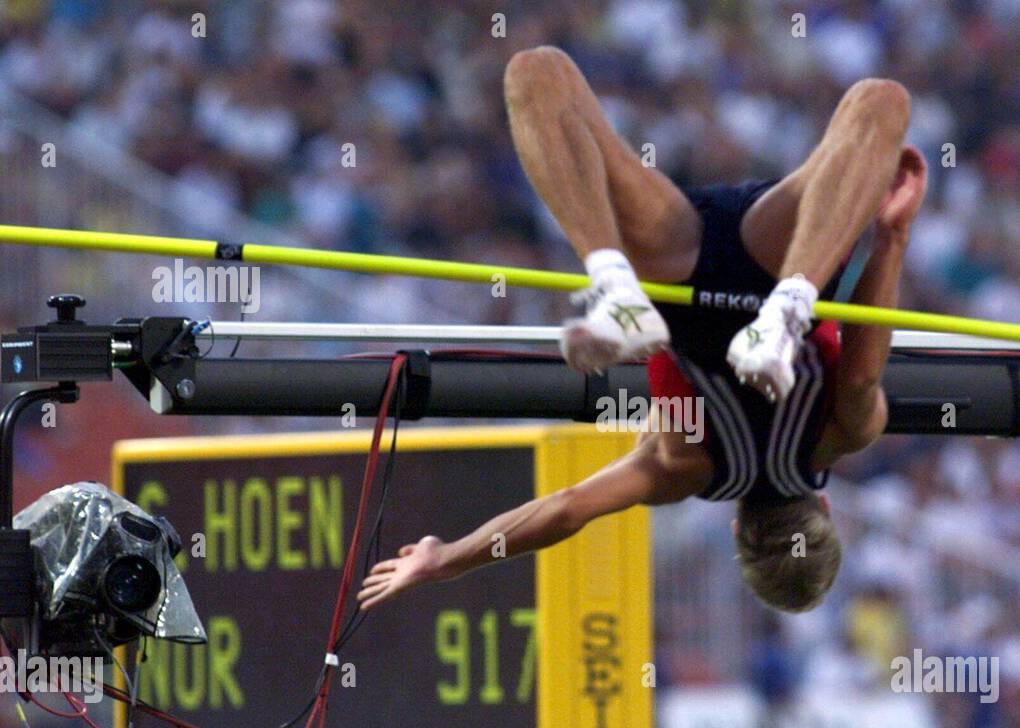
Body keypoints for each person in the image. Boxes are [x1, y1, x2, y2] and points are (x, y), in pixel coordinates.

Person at [358, 46, 927, 615]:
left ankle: (784, 307)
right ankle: (612, 278)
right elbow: (566, 508)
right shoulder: (680, 465)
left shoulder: (844, 433)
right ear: (736, 531)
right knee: (535, 76)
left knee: (880, 103)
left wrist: (891, 234)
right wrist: (448, 558)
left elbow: (862, 367)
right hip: (684, 281)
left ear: (823, 509)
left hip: (782, 257)